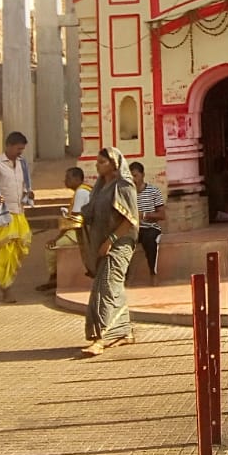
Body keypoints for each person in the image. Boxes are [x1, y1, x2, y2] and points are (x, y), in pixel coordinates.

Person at [79, 146, 139, 356]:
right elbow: (90, 213)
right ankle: (123, 332)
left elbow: (129, 219)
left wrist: (111, 240)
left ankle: (101, 338)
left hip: (119, 243)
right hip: (101, 243)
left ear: (114, 165)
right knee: (113, 287)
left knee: (105, 288)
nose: (98, 165)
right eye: (97, 161)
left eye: (102, 162)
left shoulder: (123, 186)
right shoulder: (99, 187)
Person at [0, 131, 34, 302]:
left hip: (19, 212)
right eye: (18, 149)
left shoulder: (22, 164)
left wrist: (29, 195)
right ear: (9, 146)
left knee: (19, 249)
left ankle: (8, 283)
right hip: (3, 215)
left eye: (22, 149)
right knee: (6, 252)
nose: (20, 152)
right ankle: (6, 289)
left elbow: (25, 186)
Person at [36, 166, 91, 293]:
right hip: (81, 230)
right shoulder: (82, 191)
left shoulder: (81, 192)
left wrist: (58, 237)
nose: (65, 181)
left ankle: (54, 277)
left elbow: (75, 222)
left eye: (68, 178)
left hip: (81, 232)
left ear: (77, 179)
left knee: (52, 247)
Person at [129, 161, 165, 278]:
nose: (133, 179)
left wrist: (144, 215)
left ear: (143, 175)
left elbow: (162, 215)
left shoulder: (153, 191)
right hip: (132, 229)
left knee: (150, 241)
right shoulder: (127, 194)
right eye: (130, 177)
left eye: (135, 176)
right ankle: (124, 278)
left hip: (150, 228)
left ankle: (152, 273)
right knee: (122, 243)